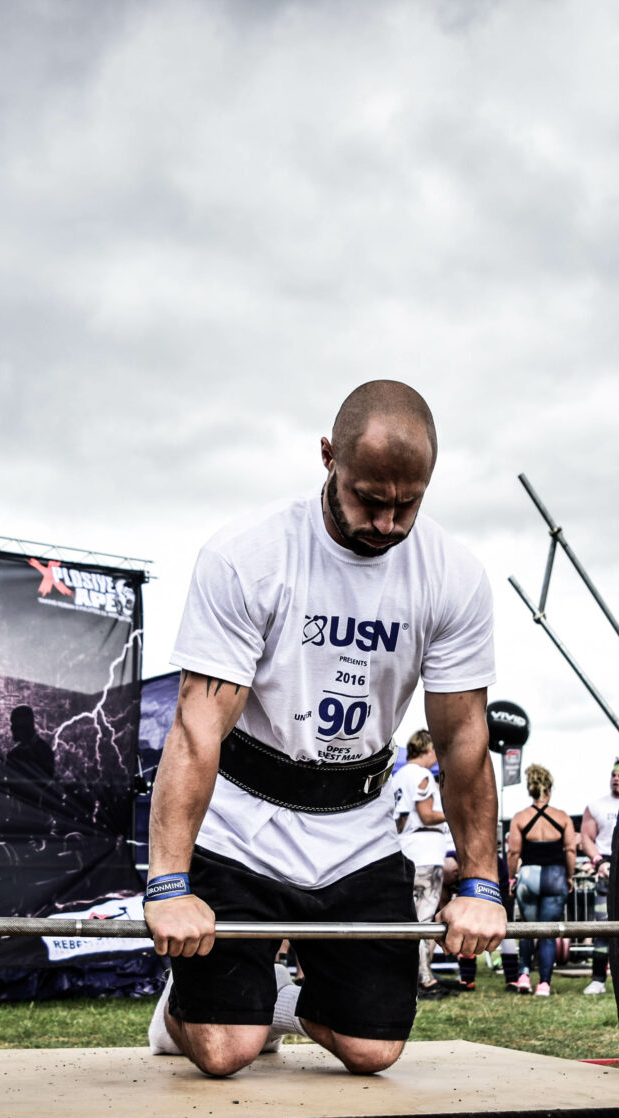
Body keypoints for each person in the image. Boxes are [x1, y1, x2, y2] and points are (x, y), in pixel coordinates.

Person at [143, 380, 503, 1078]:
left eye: (409, 503)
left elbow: (463, 738)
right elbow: (195, 729)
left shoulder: (453, 576)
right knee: (224, 1050)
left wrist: (482, 881)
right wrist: (167, 883)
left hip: (356, 821)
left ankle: (269, 1001)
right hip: (243, 817)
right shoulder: (249, 556)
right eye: (370, 498)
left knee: (374, 1050)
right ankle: (189, 1009)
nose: (390, 523)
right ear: (327, 458)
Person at [504, 764, 581, 996]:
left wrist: (510, 878)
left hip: (529, 876)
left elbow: (513, 853)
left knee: (528, 929)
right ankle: (544, 984)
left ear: (530, 789)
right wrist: (570, 876)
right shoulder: (563, 817)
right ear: (549, 789)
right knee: (548, 932)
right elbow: (570, 850)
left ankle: (524, 976)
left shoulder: (520, 817)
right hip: (555, 875)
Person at [386, 729, 453, 994]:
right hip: (426, 852)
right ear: (428, 749)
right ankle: (424, 979)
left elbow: (401, 819)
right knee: (424, 921)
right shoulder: (423, 776)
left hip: (406, 850)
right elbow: (426, 815)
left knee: (407, 920)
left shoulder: (398, 777)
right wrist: (450, 812)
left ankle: (411, 976)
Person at [579, 759, 619, 995]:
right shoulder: (596, 805)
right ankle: (598, 979)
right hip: (606, 867)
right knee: (602, 927)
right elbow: (586, 837)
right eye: (614, 775)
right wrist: (598, 861)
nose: (616, 779)